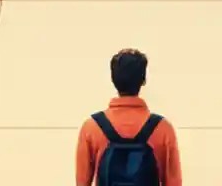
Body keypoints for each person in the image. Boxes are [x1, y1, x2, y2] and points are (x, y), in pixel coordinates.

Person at [76, 49, 181, 186]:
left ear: (113, 79)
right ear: (143, 80)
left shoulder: (92, 127)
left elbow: (82, 183)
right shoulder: (163, 129)